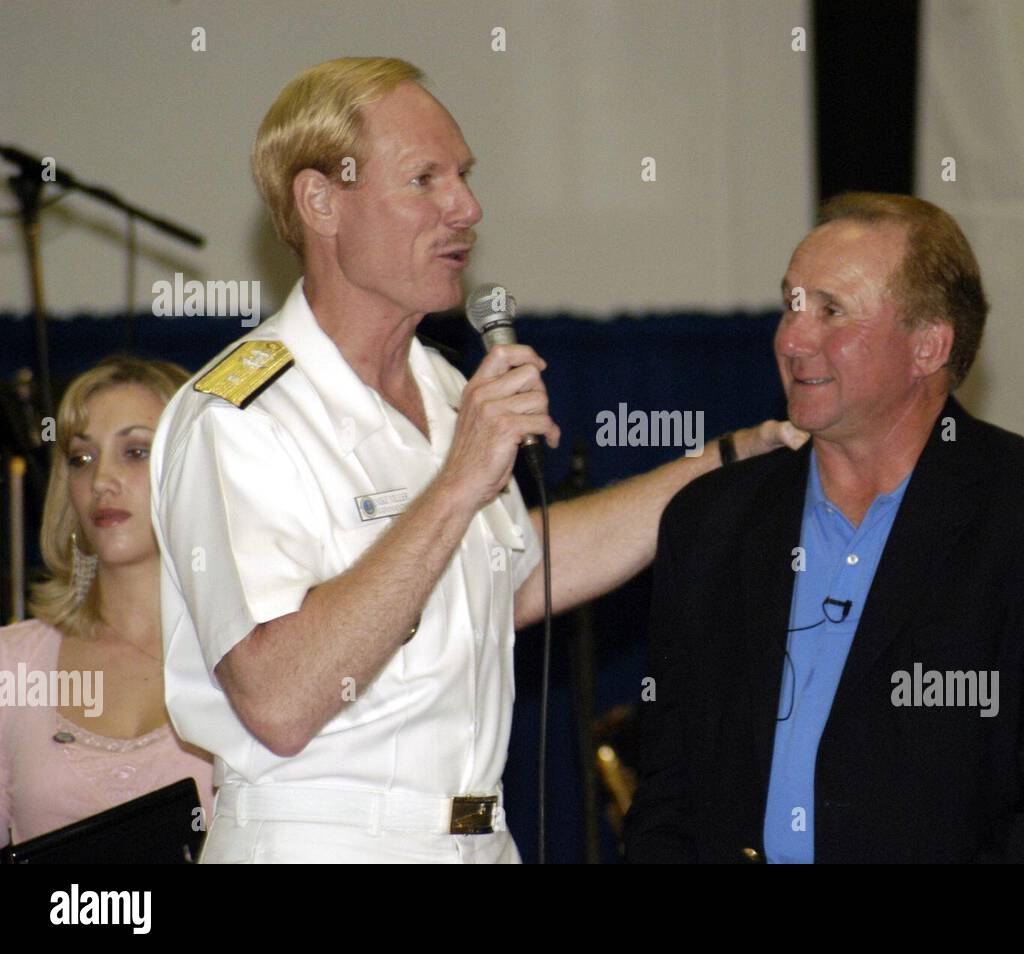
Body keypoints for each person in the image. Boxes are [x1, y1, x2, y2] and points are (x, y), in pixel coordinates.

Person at [150, 56, 798, 864]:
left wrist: (723, 462)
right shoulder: (240, 416)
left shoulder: (443, 385)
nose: (467, 207)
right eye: (424, 178)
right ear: (320, 200)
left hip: (477, 841)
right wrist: (457, 482)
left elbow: (511, 575)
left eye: (463, 175)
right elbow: (279, 699)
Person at [623, 193, 1024, 863]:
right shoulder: (712, 522)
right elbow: (668, 790)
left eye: (831, 311)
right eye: (790, 304)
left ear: (928, 345)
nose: (792, 338)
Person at [0, 356, 214, 847]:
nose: (101, 482)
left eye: (136, 452)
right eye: (82, 458)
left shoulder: (258, 655)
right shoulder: (13, 663)